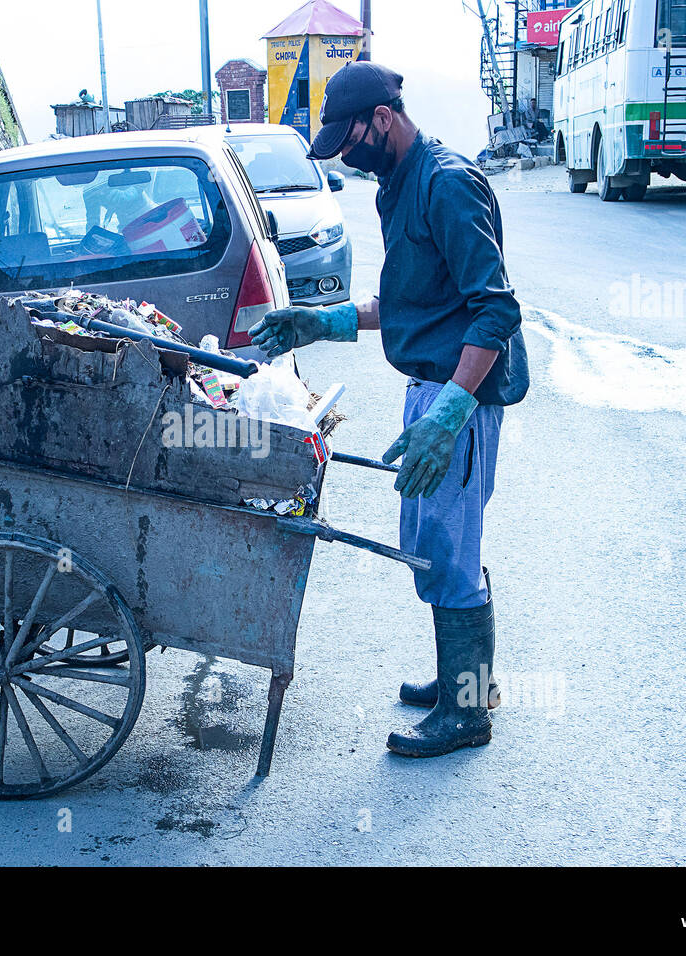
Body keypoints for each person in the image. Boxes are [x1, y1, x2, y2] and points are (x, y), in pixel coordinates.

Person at [248, 61, 529, 759]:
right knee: (435, 545)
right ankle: (466, 682)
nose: (347, 155)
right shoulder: (398, 187)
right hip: (430, 387)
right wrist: (321, 322)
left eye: (351, 141)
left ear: (383, 118)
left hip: (459, 394)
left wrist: (452, 411)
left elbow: (495, 312)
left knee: (448, 547)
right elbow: (408, 307)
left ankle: (467, 715)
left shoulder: (447, 183)